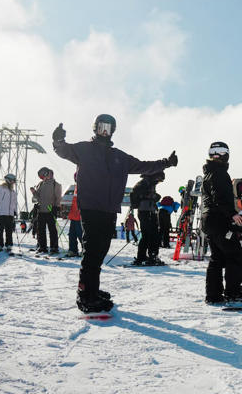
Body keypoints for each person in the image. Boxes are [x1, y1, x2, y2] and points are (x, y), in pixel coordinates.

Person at [52, 114, 177, 313]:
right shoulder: (84, 149)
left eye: (108, 128)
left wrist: (166, 162)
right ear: (95, 128)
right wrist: (58, 140)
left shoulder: (120, 156)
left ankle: (93, 289)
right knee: (92, 251)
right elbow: (64, 150)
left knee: (101, 250)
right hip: (91, 207)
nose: (104, 131)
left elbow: (144, 165)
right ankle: (85, 295)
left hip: (109, 209)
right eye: (101, 127)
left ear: (113, 131)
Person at [200, 141, 242, 304]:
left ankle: (213, 295)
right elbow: (219, 198)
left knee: (217, 257)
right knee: (234, 254)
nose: (218, 155)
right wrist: (233, 214)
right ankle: (233, 293)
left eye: (219, 151)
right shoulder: (219, 173)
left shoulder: (208, 173)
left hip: (209, 220)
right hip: (218, 219)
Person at [131, 172, 164, 265]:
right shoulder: (145, 184)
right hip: (146, 212)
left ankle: (142, 257)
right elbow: (143, 195)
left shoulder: (147, 183)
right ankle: (152, 256)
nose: (158, 182)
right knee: (153, 235)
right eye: (159, 180)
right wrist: (154, 196)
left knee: (146, 235)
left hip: (146, 211)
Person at [30, 167, 63, 254]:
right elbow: (38, 197)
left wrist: (56, 207)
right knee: (41, 229)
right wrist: (34, 192)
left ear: (48, 174)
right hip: (41, 210)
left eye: (42, 176)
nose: (42, 178)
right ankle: (42, 247)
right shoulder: (41, 184)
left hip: (50, 210)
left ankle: (54, 247)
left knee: (52, 229)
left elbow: (58, 198)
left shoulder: (56, 185)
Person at [0, 174, 18, 252]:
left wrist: (15, 211)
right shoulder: (1, 188)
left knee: (9, 230)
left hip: (10, 214)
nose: (14, 182)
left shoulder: (13, 191)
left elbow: (14, 202)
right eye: (13, 181)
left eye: (14, 181)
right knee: (0, 230)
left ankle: (8, 244)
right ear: (8, 180)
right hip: (1, 212)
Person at [67, 174, 83, 257]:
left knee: (81, 234)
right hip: (73, 214)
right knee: (72, 234)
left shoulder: (85, 186)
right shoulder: (76, 187)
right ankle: (73, 250)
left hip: (80, 215)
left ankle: (85, 250)